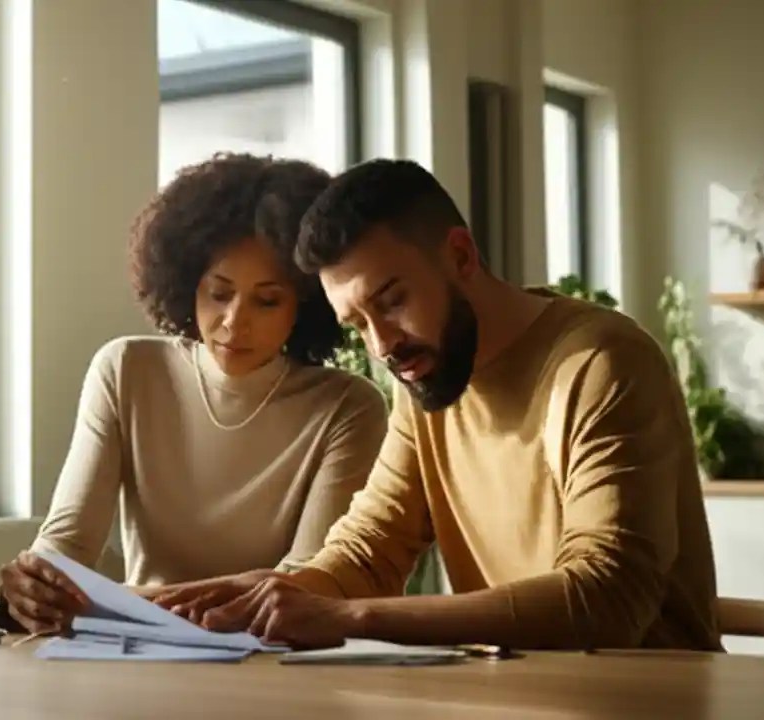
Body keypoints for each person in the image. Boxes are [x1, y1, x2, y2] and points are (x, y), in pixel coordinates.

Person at [162, 158, 723, 652]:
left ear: (459, 254)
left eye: (393, 301)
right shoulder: (427, 381)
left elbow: (608, 597)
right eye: (358, 325)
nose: (382, 344)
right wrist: (261, 599)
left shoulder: (601, 363)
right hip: (513, 701)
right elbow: (367, 552)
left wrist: (350, 617)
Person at [0, 153, 389, 635]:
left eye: (267, 300)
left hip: (273, 664)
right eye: (219, 293)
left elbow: (303, 586)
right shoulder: (126, 371)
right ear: (187, 284)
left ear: (306, 304)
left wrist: (101, 600)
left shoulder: (348, 408)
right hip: (132, 656)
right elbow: (63, 549)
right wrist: (33, 585)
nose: (234, 323)